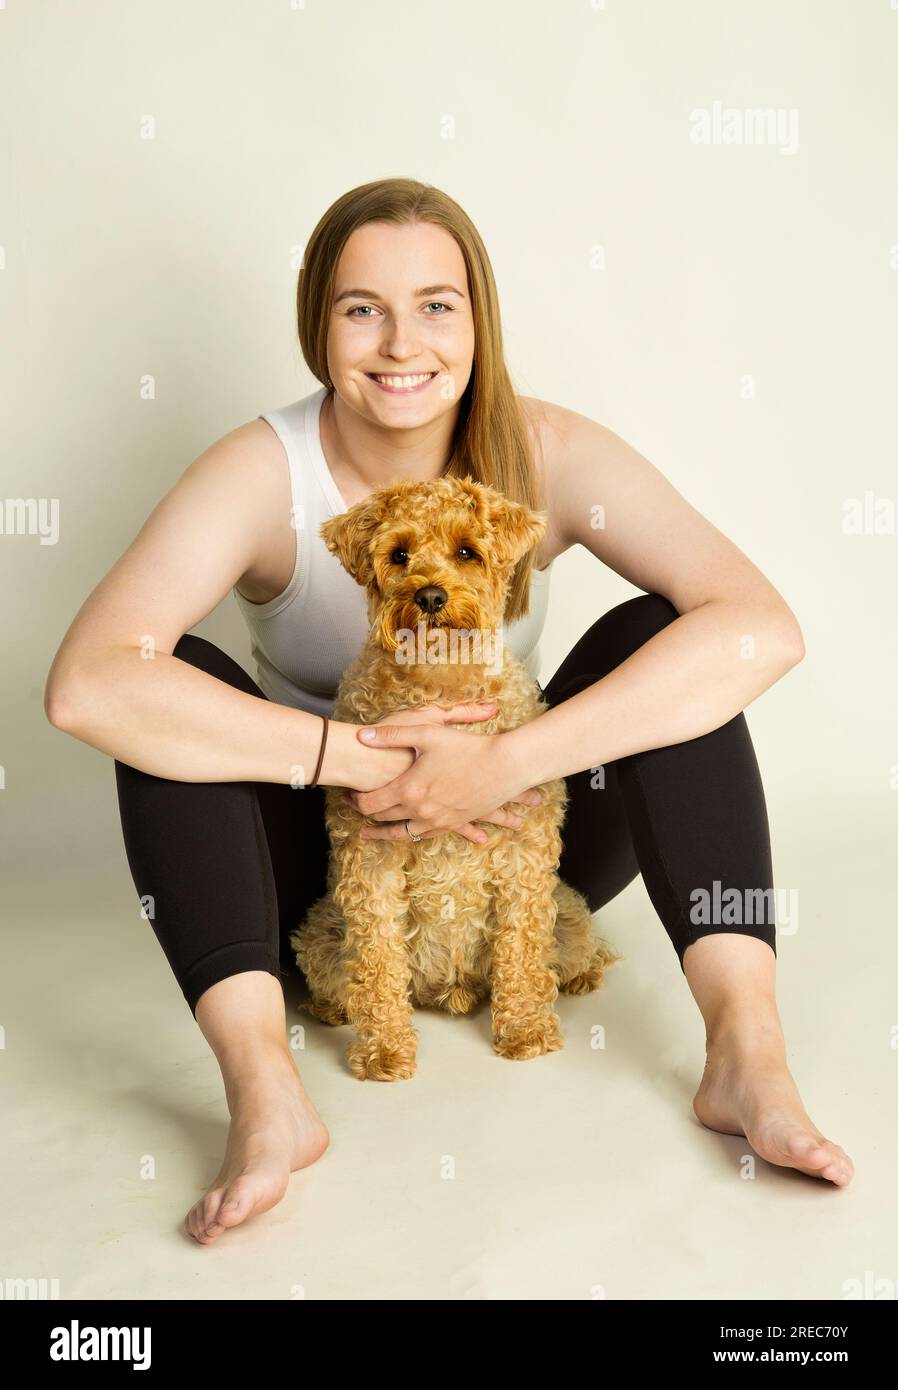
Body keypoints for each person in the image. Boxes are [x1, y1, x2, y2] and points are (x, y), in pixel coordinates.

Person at [44, 178, 853, 1247]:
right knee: (170, 676)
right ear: (316, 325)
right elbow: (89, 682)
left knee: (668, 634)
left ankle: (747, 1054)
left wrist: (506, 761)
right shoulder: (259, 472)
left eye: (436, 303)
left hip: (515, 832)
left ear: (479, 321)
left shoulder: (545, 452)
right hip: (323, 860)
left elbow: (760, 629)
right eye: (359, 307)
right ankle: (266, 1093)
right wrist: (351, 756)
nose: (399, 342)